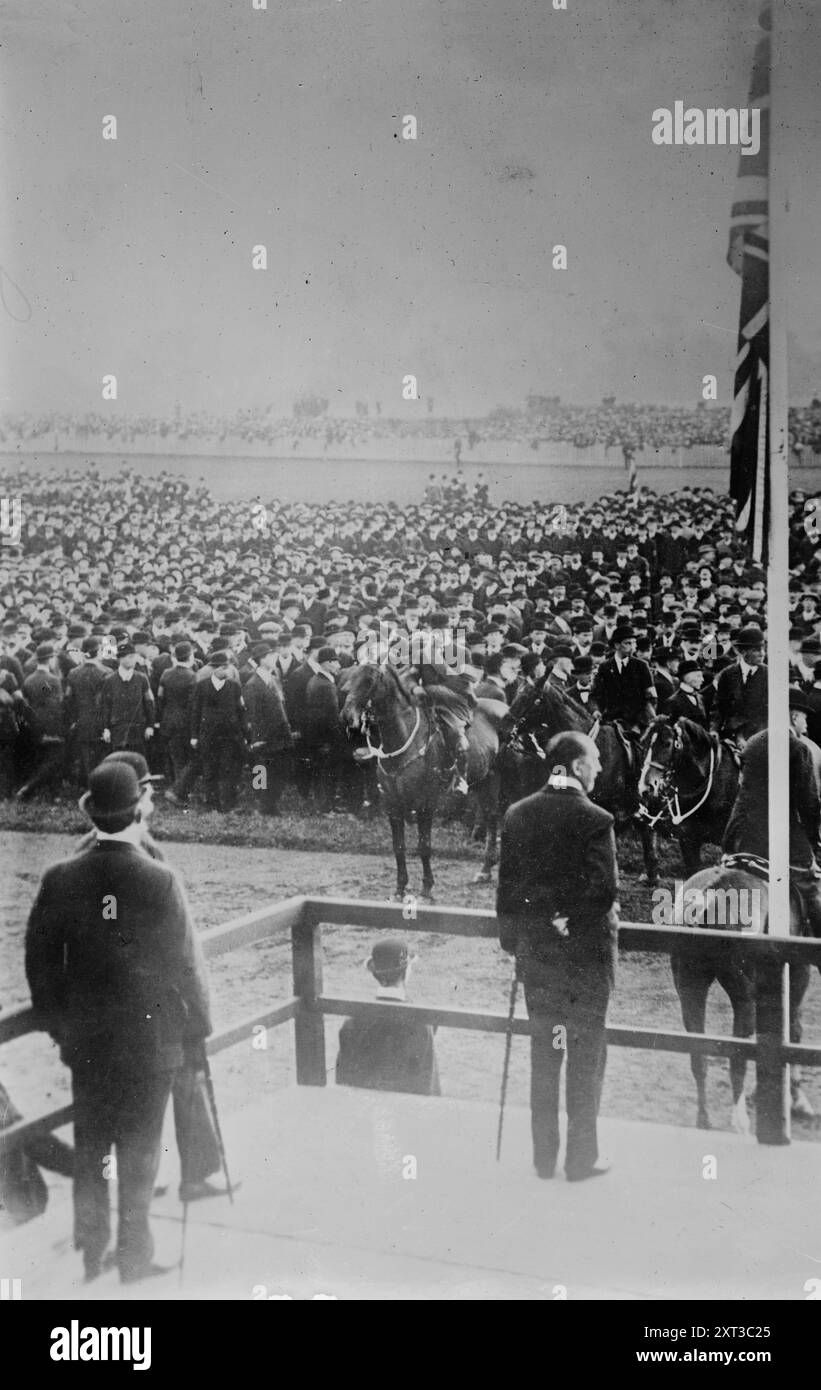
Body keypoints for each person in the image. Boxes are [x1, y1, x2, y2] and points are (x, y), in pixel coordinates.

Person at [25, 761, 212, 1282]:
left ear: (91, 813)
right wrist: (198, 1028)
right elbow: (183, 967)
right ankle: (134, 1256)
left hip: (86, 1042)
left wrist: (60, 1026)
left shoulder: (60, 877)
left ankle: (93, 1251)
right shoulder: (161, 880)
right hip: (150, 1044)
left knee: (92, 1147)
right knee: (140, 1150)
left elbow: (39, 964)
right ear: (139, 812)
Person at [496, 731, 619, 1181]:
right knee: (585, 1060)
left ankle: (543, 1158)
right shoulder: (596, 819)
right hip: (586, 961)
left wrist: (521, 940)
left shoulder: (518, 814)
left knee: (545, 1057)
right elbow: (603, 890)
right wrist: (568, 916)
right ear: (577, 766)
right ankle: (580, 1160)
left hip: (538, 961)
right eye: (596, 759)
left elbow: (507, 892)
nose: (601, 767)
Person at [336, 938, 440, 1095]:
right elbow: (428, 1084)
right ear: (406, 973)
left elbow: (343, 1078)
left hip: (363, 1110)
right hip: (407, 1112)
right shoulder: (421, 1022)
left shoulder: (352, 1021)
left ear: (375, 975)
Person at [190, 648, 249, 811]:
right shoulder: (202, 686)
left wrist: (244, 734)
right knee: (209, 770)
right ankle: (211, 803)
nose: (227, 670)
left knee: (228, 769)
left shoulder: (234, 686)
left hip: (230, 735)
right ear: (215, 669)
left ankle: (228, 804)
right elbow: (195, 711)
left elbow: (240, 711)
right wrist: (194, 735)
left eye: (228, 667)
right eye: (223, 668)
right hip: (208, 735)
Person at [243, 642, 294, 816]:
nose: (275, 659)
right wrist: (257, 739)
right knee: (261, 770)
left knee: (277, 771)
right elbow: (253, 715)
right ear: (263, 660)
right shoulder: (253, 684)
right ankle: (261, 804)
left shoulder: (273, 678)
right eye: (271, 656)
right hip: (264, 738)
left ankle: (270, 804)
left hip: (278, 735)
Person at [709, 625, 767, 746]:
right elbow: (719, 707)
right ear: (743, 652)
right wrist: (714, 729)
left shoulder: (769, 675)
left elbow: (767, 713)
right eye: (756, 650)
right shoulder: (727, 674)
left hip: (761, 737)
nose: (762, 654)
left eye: (763, 649)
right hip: (731, 735)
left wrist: (748, 739)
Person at [99, 641, 156, 757]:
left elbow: (149, 703)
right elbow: (105, 705)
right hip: (118, 731)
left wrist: (150, 725)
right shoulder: (110, 680)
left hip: (138, 730)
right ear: (120, 659)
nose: (132, 660)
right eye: (129, 657)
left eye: (133, 657)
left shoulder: (141, 678)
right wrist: (105, 728)